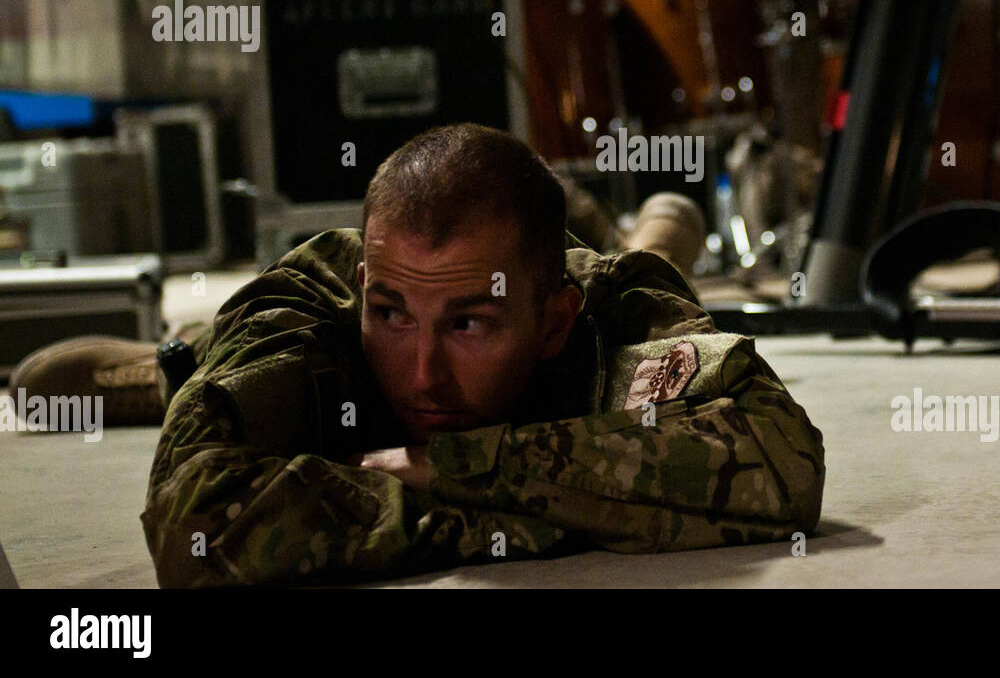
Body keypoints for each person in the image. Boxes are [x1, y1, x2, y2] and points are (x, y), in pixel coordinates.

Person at [131, 122, 824, 586]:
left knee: (649, 261)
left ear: (554, 324)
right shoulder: (309, 312)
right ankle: (159, 370)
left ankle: (655, 237)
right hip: (271, 340)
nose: (424, 374)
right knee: (204, 360)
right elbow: (192, 525)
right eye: (393, 315)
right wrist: (564, 508)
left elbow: (781, 459)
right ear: (367, 292)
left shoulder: (607, 310)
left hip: (586, 285)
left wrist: (455, 467)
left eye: (469, 325)